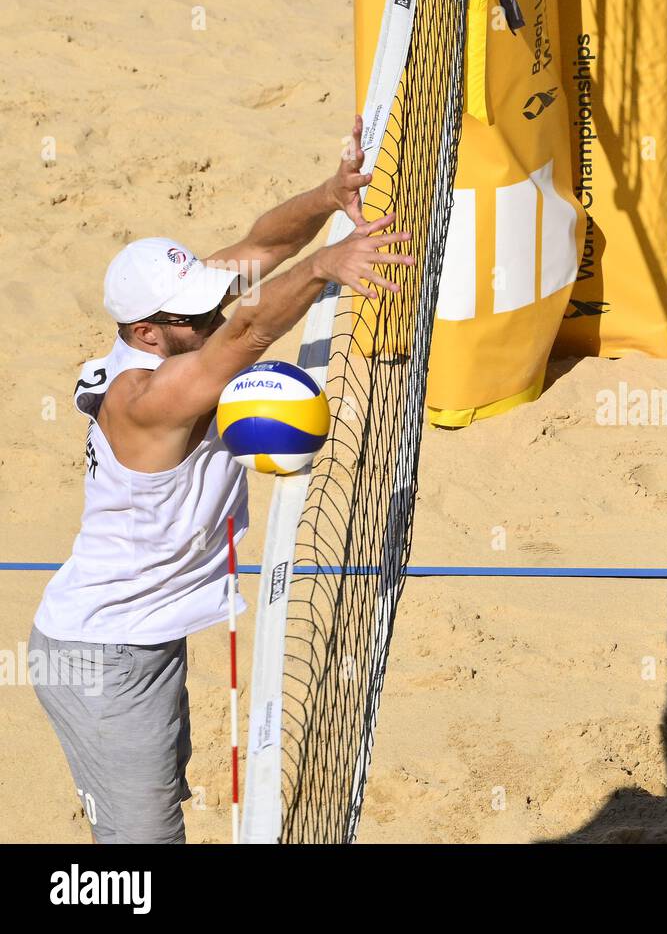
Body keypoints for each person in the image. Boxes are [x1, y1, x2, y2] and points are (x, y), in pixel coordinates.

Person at [28, 116, 413, 843]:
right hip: (103, 657)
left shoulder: (173, 317)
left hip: (144, 636)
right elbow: (249, 332)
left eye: (211, 298)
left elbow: (264, 247)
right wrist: (325, 267)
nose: (214, 310)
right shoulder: (148, 398)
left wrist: (327, 198)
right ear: (146, 333)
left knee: (158, 808)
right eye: (198, 311)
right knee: (142, 847)